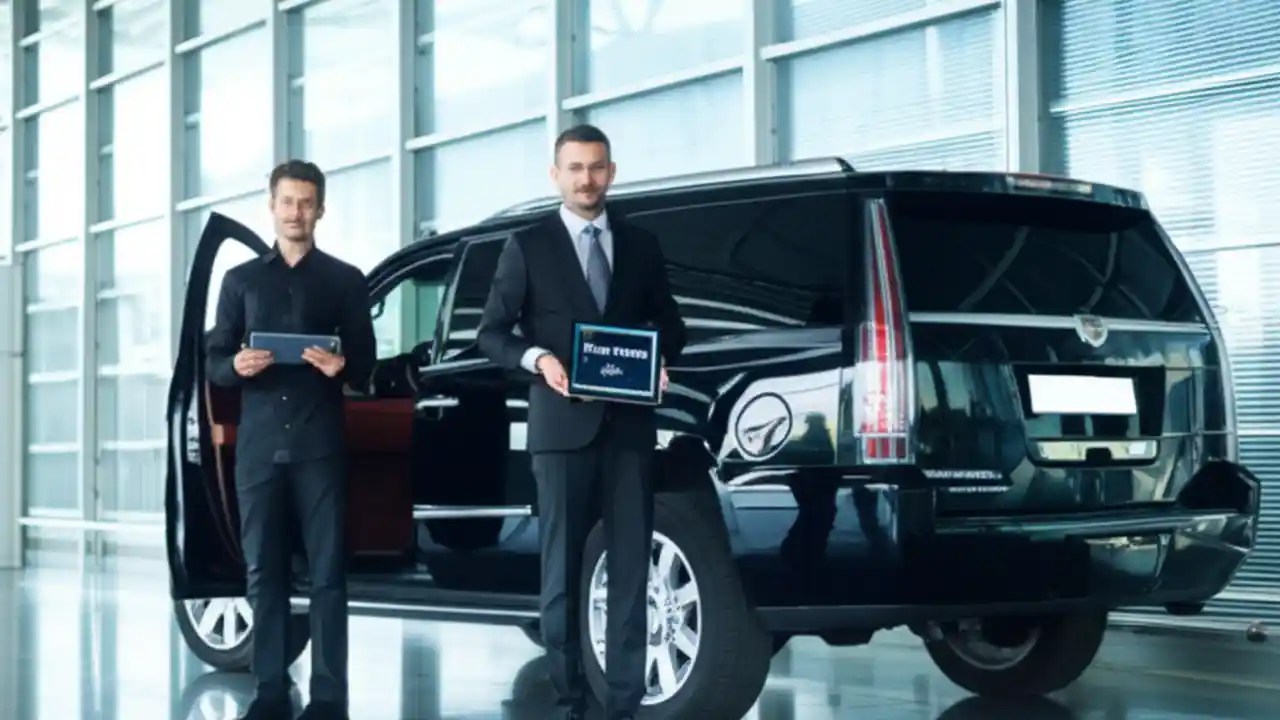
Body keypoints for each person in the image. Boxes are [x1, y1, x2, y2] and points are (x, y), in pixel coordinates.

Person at [476, 124, 686, 720]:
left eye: (596, 168)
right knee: (562, 573)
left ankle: (623, 705)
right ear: (556, 175)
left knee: (631, 573)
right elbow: (491, 333)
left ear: (611, 173)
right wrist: (538, 359)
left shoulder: (641, 245)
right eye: (575, 168)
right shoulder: (527, 245)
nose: (586, 179)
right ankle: (571, 699)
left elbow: (672, 324)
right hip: (560, 429)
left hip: (629, 429)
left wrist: (659, 357)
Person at [206, 159, 375, 720]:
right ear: (272, 206)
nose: (296, 212)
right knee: (263, 573)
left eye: (306, 202)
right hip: (258, 450)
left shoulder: (345, 280)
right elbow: (213, 360)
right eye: (287, 202)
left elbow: (367, 363)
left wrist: (341, 367)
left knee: (328, 574)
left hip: (319, 445)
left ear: (321, 209)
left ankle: (328, 697)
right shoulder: (241, 282)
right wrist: (235, 364)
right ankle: (270, 692)